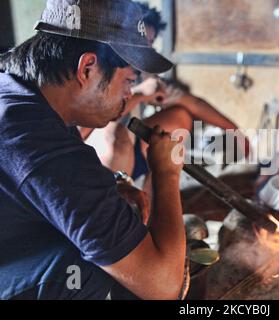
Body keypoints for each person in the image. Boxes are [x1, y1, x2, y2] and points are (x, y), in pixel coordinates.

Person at [0, 0, 186, 300]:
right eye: (128, 81)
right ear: (87, 67)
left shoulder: (17, 92)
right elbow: (163, 286)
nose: (128, 96)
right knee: (90, 269)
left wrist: (110, 187)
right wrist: (166, 173)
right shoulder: (43, 147)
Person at [82, 3, 250, 193]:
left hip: (134, 151)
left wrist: (235, 131)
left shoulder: (144, 75)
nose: (145, 48)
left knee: (179, 117)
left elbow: (192, 102)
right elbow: (84, 127)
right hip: (99, 155)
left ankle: (150, 204)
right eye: (140, 40)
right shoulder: (99, 68)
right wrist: (140, 95)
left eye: (149, 43)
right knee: (115, 131)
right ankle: (114, 200)